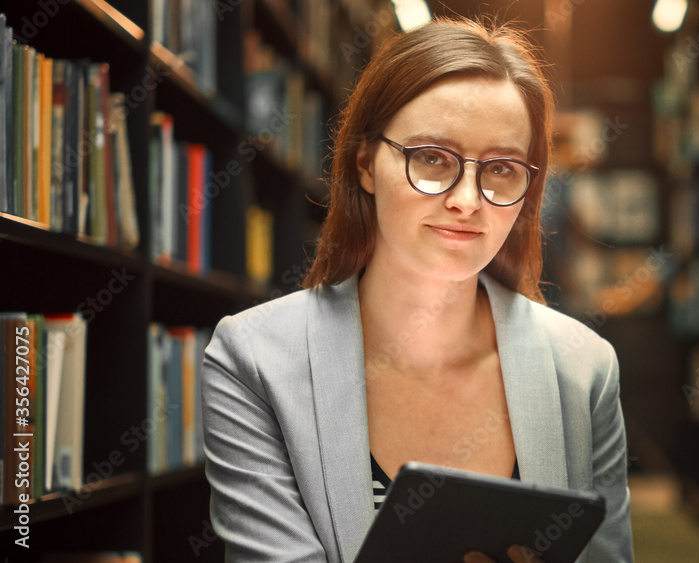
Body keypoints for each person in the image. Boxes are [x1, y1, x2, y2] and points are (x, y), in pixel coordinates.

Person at [201, 17, 634, 563]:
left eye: (501, 168)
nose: (467, 200)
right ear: (365, 164)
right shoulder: (253, 359)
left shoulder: (584, 368)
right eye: (431, 157)